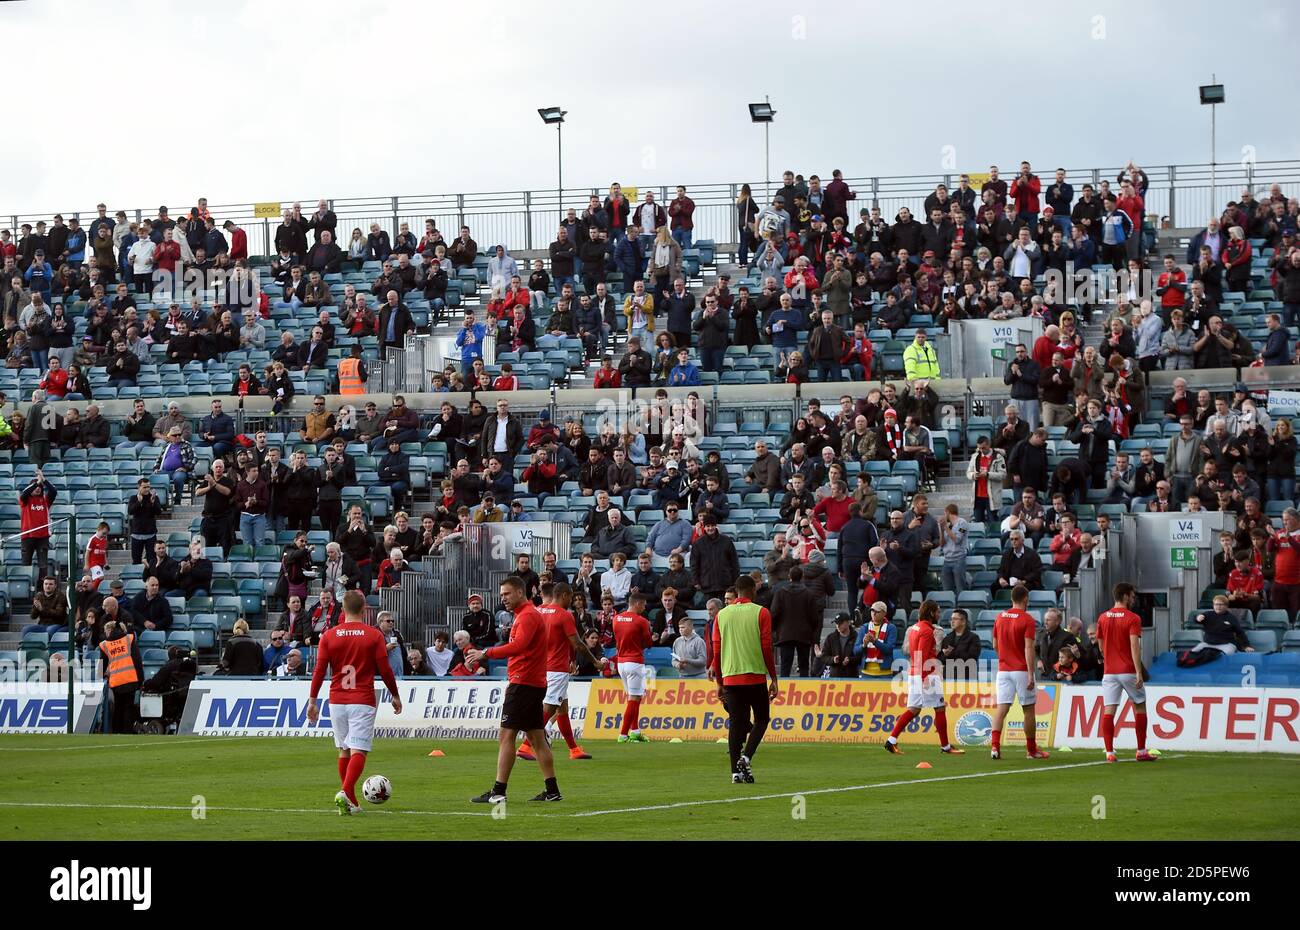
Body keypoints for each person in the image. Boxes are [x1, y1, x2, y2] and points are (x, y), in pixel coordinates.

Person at [464, 576, 562, 804]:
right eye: (501, 595)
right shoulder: (525, 615)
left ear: (520, 592)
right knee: (537, 737)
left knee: (506, 735)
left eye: (507, 594)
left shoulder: (527, 616)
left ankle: (498, 791)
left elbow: (519, 646)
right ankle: (552, 790)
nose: (503, 599)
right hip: (532, 682)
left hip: (524, 683)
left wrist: (486, 653)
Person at [307, 590, 403, 815]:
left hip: (337, 699)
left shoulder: (329, 635)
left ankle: (352, 803)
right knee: (359, 750)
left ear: (342, 608)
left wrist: (312, 701)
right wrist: (395, 695)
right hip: (362, 699)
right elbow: (385, 669)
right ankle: (344, 791)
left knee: (344, 749)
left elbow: (319, 671)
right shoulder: (373, 635)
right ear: (364, 610)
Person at [516, 582, 604, 762]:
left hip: (541, 665)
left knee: (562, 707)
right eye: (570, 597)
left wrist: (571, 660)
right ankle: (525, 745)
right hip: (557, 668)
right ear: (564, 595)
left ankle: (574, 749)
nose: (571, 601)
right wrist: (595, 661)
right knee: (549, 707)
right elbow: (578, 643)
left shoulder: (539, 611)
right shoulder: (564, 615)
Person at [710, 574, 778, 784]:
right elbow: (767, 647)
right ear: (752, 590)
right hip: (755, 675)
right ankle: (746, 757)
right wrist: (773, 677)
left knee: (737, 724)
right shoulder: (761, 612)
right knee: (761, 719)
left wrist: (719, 682)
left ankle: (735, 773)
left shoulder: (722, 615)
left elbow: (717, 650)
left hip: (731, 677)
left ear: (737, 592)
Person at [884, 599, 966, 755]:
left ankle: (891, 740)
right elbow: (922, 656)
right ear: (931, 613)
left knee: (914, 709)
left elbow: (921, 653)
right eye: (938, 611)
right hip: (925, 674)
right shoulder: (928, 631)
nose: (939, 614)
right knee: (940, 707)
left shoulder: (915, 628)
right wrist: (925, 678)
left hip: (914, 672)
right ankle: (946, 746)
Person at [1097, 583, 1158, 763]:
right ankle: (1141, 751)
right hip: (1127, 670)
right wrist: (1139, 671)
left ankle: (1109, 752)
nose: (1133, 599)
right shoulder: (1133, 618)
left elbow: (1100, 645)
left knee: (1109, 710)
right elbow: (1134, 646)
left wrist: (1109, 656)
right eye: (1131, 596)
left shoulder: (1102, 617)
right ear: (1124, 596)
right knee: (1140, 706)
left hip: (1109, 672)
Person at [990, 585, 1050, 761]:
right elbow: (1029, 648)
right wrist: (1031, 674)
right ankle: (1031, 750)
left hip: (1003, 670)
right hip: (1021, 670)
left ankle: (995, 747)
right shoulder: (1027, 619)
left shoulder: (1000, 617)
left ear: (1011, 599)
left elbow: (994, 645)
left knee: (1002, 709)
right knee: (1028, 711)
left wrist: (1005, 658)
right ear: (1026, 599)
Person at [97, 619, 143, 734]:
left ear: (110, 630)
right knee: (128, 707)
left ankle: (116, 732)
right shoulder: (129, 639)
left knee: (118, 708)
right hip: (130, 678)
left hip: (116, 681)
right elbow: (137, 660)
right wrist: (140, 679)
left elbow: (101, 665)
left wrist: (100, 677)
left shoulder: (105, 645)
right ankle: (126, 732)